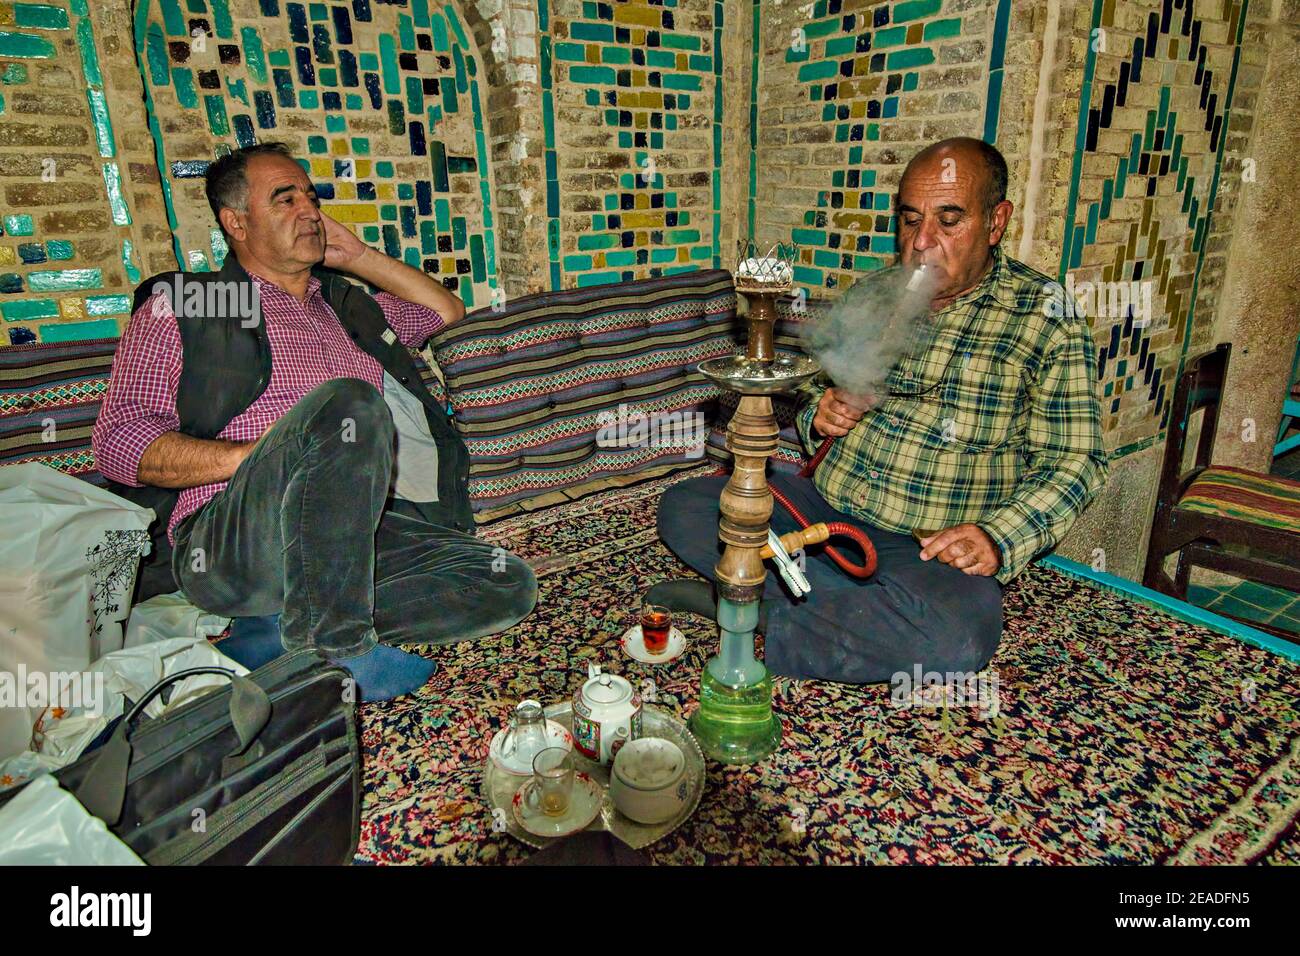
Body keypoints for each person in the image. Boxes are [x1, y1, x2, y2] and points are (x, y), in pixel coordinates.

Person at [655, 137, 1109, 684]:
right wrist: (817, 413)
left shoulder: (1045, 317)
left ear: (996, 222)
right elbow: (809, 397)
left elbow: (1077, 458)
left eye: (949, 220)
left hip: (927, 544)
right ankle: (842, 604)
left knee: (954, 639)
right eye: (911, 219)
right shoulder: (873, 293)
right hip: (822, 505)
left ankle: (756, 605)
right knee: (690, 505)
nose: (922, 243)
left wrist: (996, 537)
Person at [93, 142, 536, 700]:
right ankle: (339, 646)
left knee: (504, 582)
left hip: (350, 532)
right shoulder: (187, 304)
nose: (309, 210)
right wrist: (275, 455)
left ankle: (279, 632)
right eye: (285, 199)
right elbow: (118, 442)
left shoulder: (345, 306)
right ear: (236, 222)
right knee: (348, 407)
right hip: (234, 535)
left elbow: (445, 312)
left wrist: (355, 256)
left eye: (312, 196)